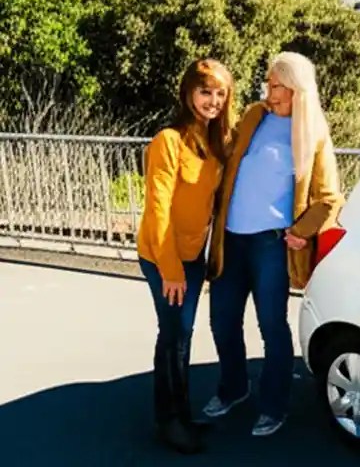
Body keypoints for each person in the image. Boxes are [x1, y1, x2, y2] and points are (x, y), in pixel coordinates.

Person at [202, 51, 345, 437]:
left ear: (297, 89)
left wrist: (302, 230)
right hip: (230, 239)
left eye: (277, 84)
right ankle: (233, 388)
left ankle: (274, 405)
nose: (270, 91)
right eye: (268, 83)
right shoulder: (255, 116)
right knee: (222, 321)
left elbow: (330, 197)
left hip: (271, 246)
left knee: (271, 327)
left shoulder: (314, 135)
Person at [136, 58, 235, 455]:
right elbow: (157, 209)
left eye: (219, 93)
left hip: (193, 256)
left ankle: (180, 413)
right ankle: (168, 421)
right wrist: (171, 270)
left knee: (181, 334)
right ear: (188, 93)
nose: (212, 101)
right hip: (164, 256)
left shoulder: (216, 143)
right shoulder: (169, 141)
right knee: (174, 334)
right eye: (204, 91)